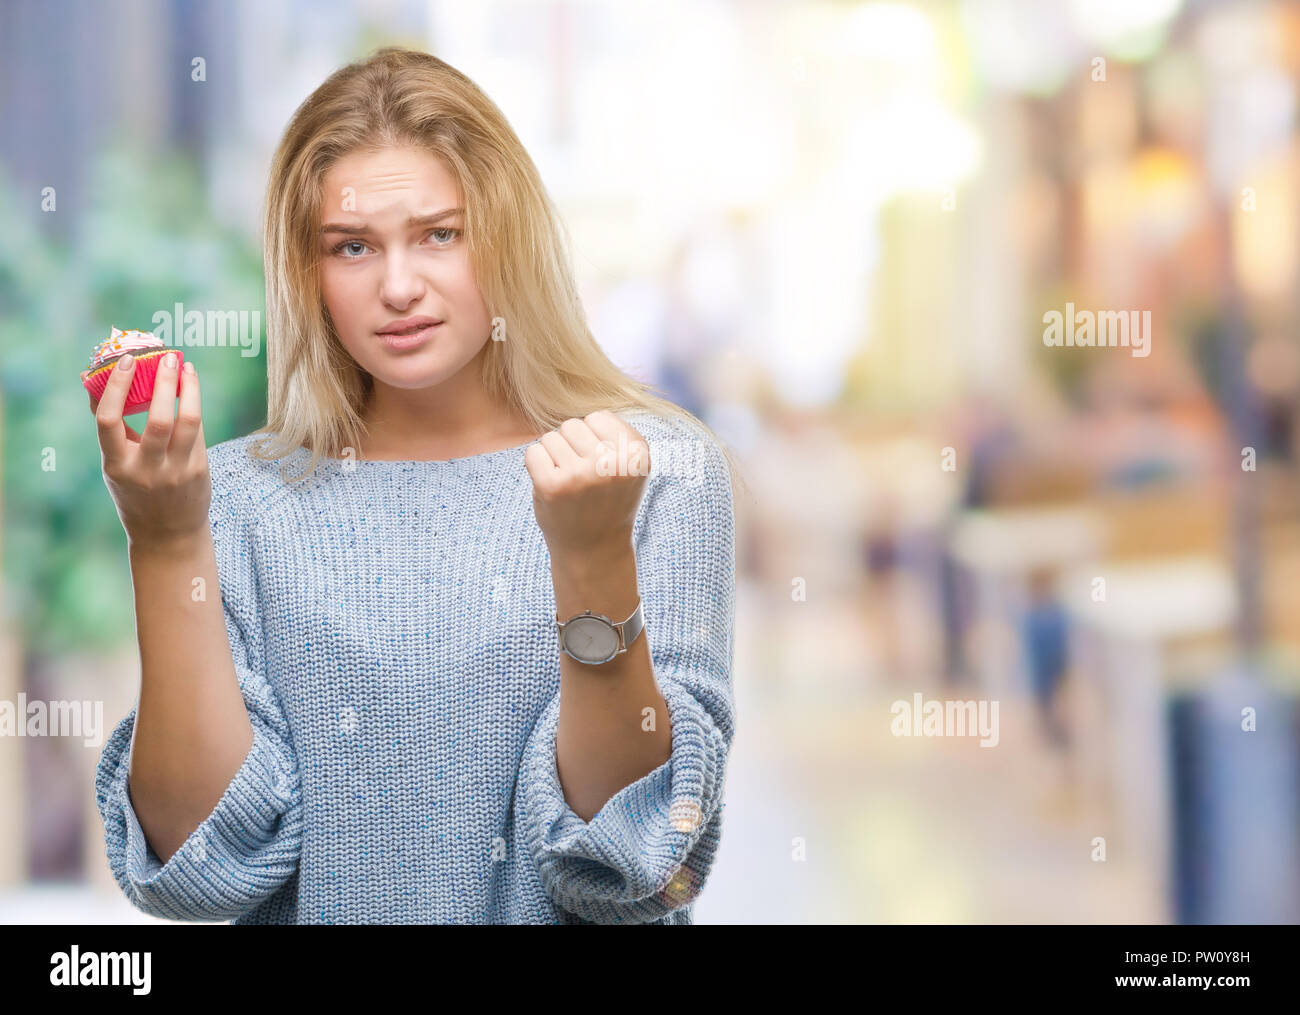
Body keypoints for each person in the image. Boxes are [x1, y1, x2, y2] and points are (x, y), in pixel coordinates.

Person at [87, 46, 740, 925]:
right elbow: (203, 867)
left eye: (440, 233)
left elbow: (636, 859)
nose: (399, 287)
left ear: (506, 234)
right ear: (307, 272)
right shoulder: (237, 498)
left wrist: (592, 560)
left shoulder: (657, 469)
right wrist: (164, 541)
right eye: (352, 246)